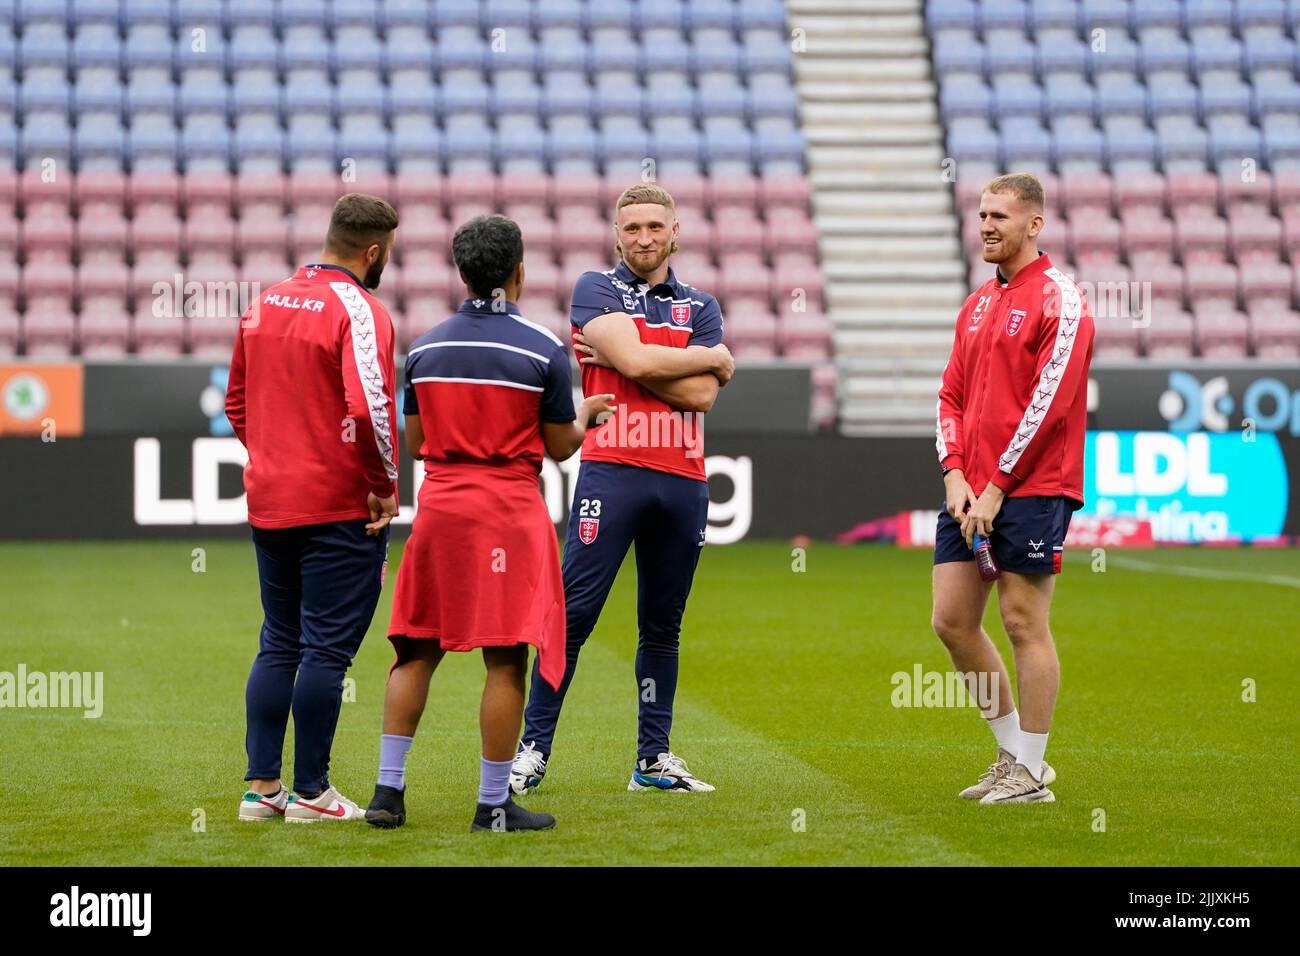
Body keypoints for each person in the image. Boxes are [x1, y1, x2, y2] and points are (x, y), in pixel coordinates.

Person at [364, 214, 613, 833]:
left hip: (443, 511)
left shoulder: (423, 348)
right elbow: (560, 448)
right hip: (508, 514)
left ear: (462, 272)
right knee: (505, 661)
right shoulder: (543, 349)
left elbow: (416, 443)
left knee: (416, 651)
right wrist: (585, 415)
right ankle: (493, 804)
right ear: (518, 273)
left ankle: (387, 796)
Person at [510, 183, 735, 795]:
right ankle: (531, 751)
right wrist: (702, 357)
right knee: (573, 616)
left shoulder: (702, 304)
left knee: (663, 627)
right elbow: (645, 368)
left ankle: (652, 760)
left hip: (685, 480)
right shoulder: (595, 288)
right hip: (611, 473)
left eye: (654, 228)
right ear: (616, 233)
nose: (643, 238)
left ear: (675, 231)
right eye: (631, 228)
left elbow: (701, 397)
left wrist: (638, 357)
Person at [226, 193, 401, 822]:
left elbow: (236, 404)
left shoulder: (263, 302)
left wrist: (275, 457)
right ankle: (310, 792)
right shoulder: (359, 308)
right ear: (373, 250)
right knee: (326, 650)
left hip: (271, 499)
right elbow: (370, 407)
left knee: (279, 640)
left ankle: (261, 790)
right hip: (336, 505)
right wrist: (384, 482)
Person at [932, 172, 1095, 804]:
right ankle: (1013, 757)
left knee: (1023, 621)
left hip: (1032, 487)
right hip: (968, 489)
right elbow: (948, 394)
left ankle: (1031, 771)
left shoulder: (1062, 298)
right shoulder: (974, 305)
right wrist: (954, 472)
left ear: (1035, 224)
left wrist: (998, 484)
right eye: (981, 215)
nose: (987, 226)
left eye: (1000, 216)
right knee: (951, 621)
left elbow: (1051, 400)